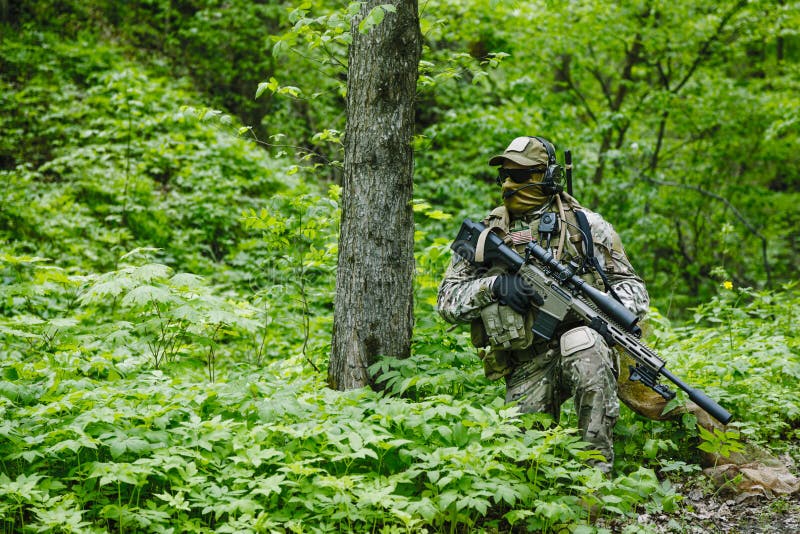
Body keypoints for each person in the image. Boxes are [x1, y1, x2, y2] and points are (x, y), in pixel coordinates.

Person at [437, 136, 650, 473]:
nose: (508, 184)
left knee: (587, 346)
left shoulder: (586, 227)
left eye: (520, 177)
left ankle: (593, 478)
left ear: (547, 176)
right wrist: (494, 285)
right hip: (526, 361)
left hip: (580, 345)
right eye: (504, 176)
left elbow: (634, 290)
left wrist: (594, 307)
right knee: (524, 468)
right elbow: (446, 301)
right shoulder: (487, 234)